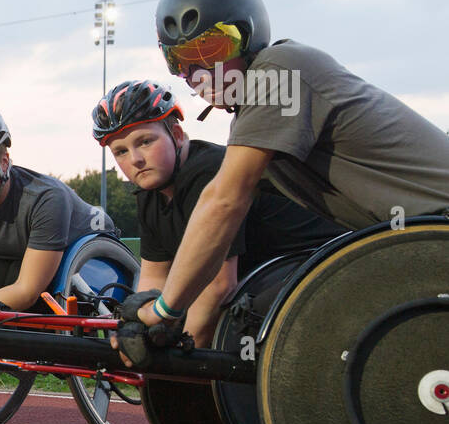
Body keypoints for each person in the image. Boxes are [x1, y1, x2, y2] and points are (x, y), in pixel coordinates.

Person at [115, 0, 449, 364]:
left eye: (211, 49)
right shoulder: (254, 111)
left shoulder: (280, 70)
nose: (200, 72)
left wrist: (164, 311)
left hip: (432, 234)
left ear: (249, 34)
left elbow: (224, 202)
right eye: (183, 59)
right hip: (415, 241)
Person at [92, 78, 344, 346]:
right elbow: (156, 278)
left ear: (177, 136)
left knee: (223, 326)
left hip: (323, 265)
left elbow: (219, 285)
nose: (135, 159)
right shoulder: (148, 194)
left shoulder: (208, 172)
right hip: (264, 276)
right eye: (120, 151)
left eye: (145, 141)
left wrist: (177, 355)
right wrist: (139, 328)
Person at [0, 106, 114, 310]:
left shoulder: (47, 198)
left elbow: (27, 290)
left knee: (18, 278)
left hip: (89, 254)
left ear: (3, 162)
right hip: (12, 257)